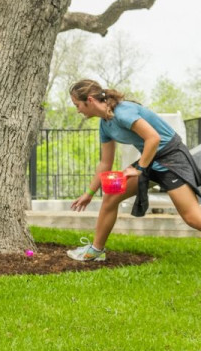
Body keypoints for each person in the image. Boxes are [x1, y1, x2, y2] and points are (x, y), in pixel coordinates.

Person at [68, 79, 201, 261]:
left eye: (77, 105)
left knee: (192, 217)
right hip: (150, 159)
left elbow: (153, 138)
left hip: (171, 157)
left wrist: (139, 169)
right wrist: (89, 193)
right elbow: (105, 163)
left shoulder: (123, 112)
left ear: (89, 100)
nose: (78, 110)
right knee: (111, 196)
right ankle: (96, 251)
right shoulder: (104, 124)